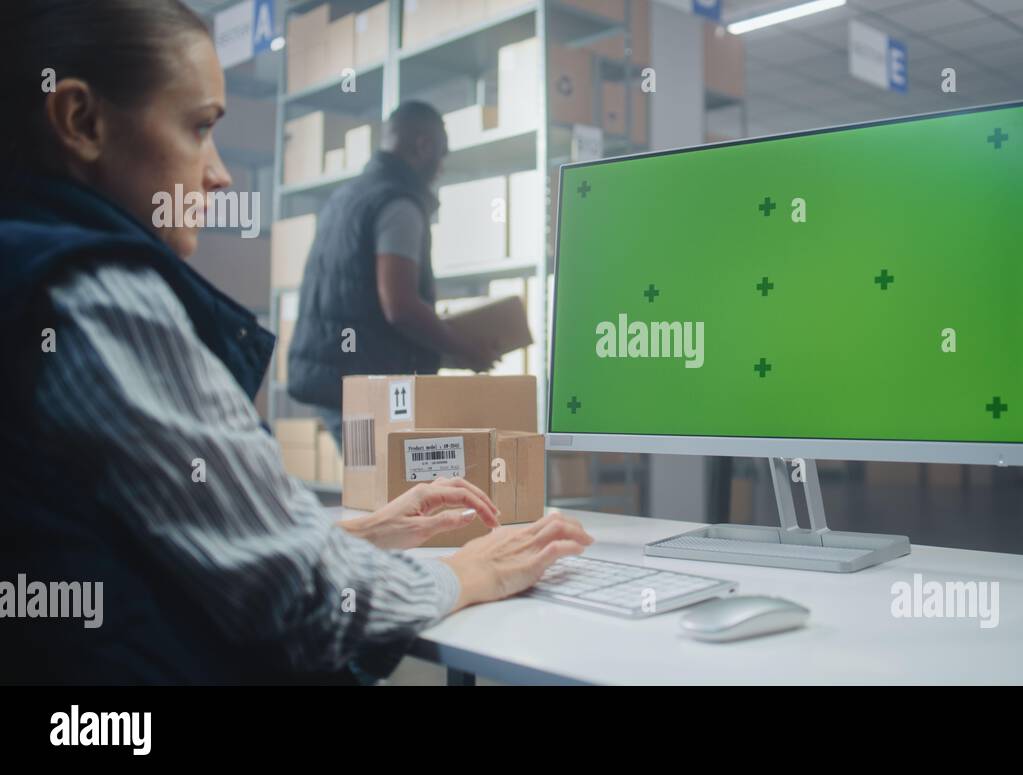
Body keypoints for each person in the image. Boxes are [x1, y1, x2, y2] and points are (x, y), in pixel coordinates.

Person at [0, 0, 590, 685]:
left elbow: (152, 546)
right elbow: (303, 599)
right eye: (199, 128)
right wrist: (467, 572)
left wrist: (358, 534)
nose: (218, 174)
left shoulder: (26, 263)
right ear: (81, 121)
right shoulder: (97, 295)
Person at [288, 101, 498, 445]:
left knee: (373, 491)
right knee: (385, 491)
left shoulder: (346, 197)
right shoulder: (398, 204)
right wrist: (465, 347)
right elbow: (399, 307)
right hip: (365, 389)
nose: (441, 168)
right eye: (442, 155)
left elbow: (366, 300)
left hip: (337, 378)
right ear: (423, 145)